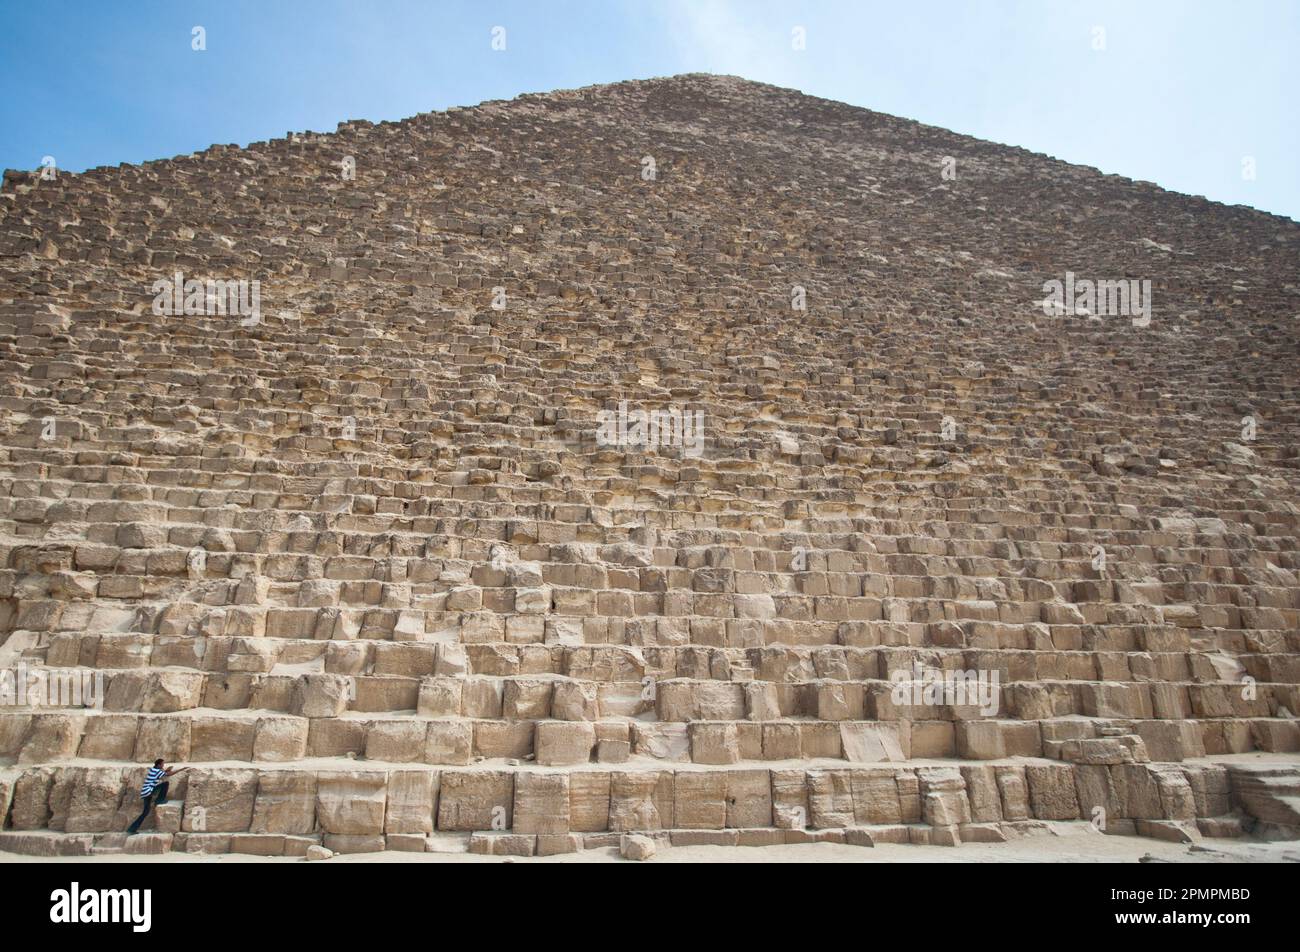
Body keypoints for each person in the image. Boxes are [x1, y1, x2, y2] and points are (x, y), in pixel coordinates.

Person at [126, 759, 186, 835]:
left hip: (145, 793)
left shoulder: (153, 769)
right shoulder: (157, 771)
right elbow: (168, 774)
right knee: (165, 784)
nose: (163, 766)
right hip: (149, 791)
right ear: (158, 765)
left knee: (145, 812)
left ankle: (132, 829)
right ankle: (159, 800)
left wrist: (166, 770)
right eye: (162, 765)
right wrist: (181, 769)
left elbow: (164, 773)